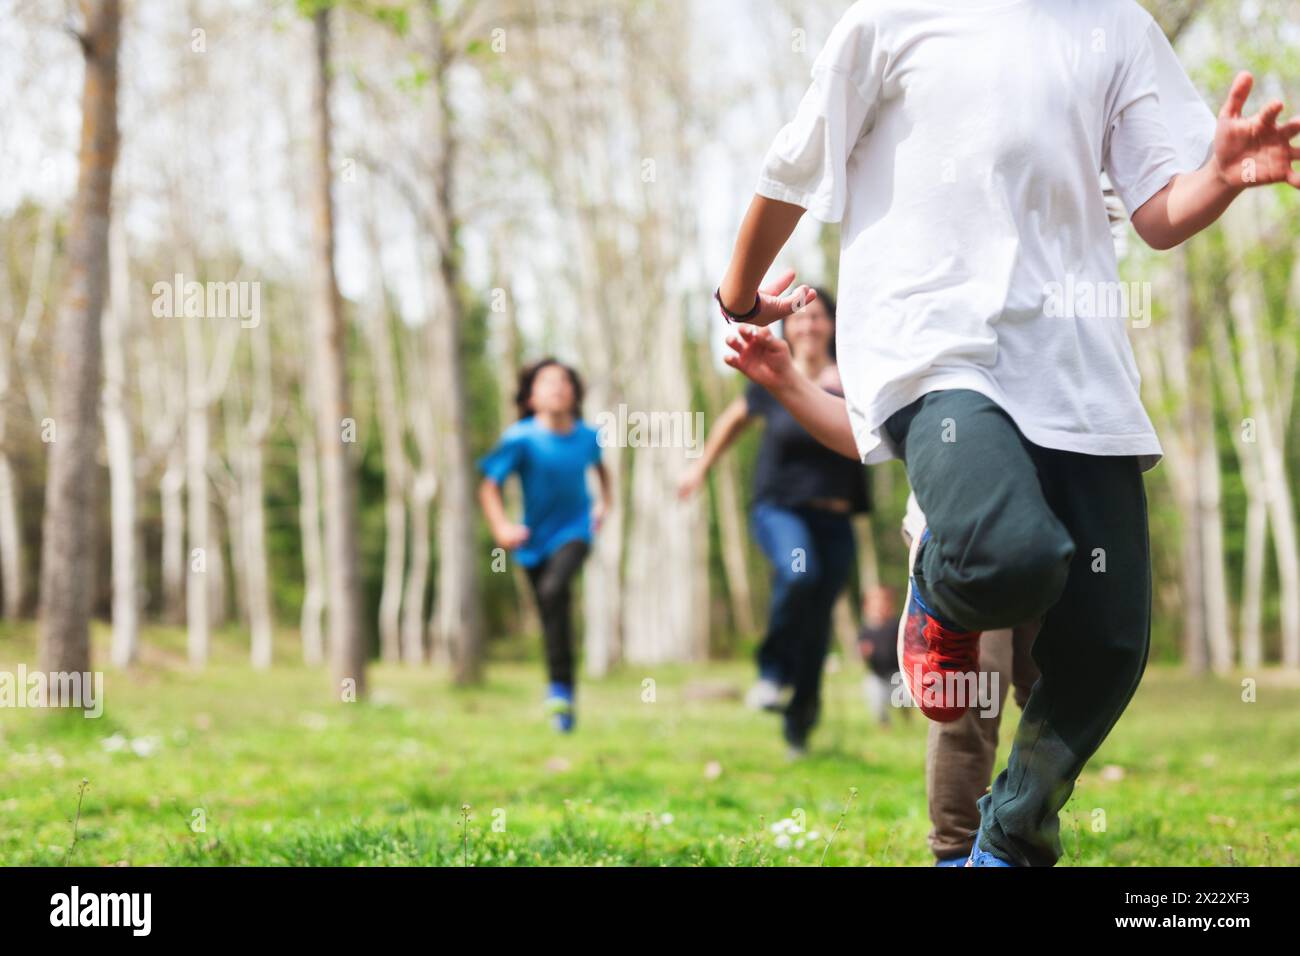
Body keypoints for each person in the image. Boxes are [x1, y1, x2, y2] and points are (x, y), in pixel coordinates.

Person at [715, 0, 1298, 865]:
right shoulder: (889, 20)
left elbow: (1156, 211)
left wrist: (1218, 176)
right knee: (1005, 554)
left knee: (1109, 641)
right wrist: (737, 296)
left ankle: (1011, 840)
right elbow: (792, 168)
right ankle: (939, 599)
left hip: (1075, 368)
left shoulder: (1119, 28)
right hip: (936, 346)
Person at [678, 291, 870, 757]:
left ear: (832, 325)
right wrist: (701, 467)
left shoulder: (858, 379)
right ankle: (771, 672)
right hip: (779, 509)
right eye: (800, 318)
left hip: (837, 517)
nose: (808, 326)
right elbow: (733, 420)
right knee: (798, 573)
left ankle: (799, 726)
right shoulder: (772, 374)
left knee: (818, 621)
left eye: (818, 316)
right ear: (787, 327)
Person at [477, 358, 612, 733]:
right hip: (533, 541)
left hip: (576, 531)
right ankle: (562, 693)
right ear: (531, 395)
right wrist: (502, 527)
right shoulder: (520, 438)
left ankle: (560, 692)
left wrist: (603, 505)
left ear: (574, 394)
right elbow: (489, 486)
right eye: (547, 382)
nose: (557, 387)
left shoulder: (587, 437)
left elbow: (602, 473)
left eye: (565, 381)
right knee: (554, 613)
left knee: (555, 589)